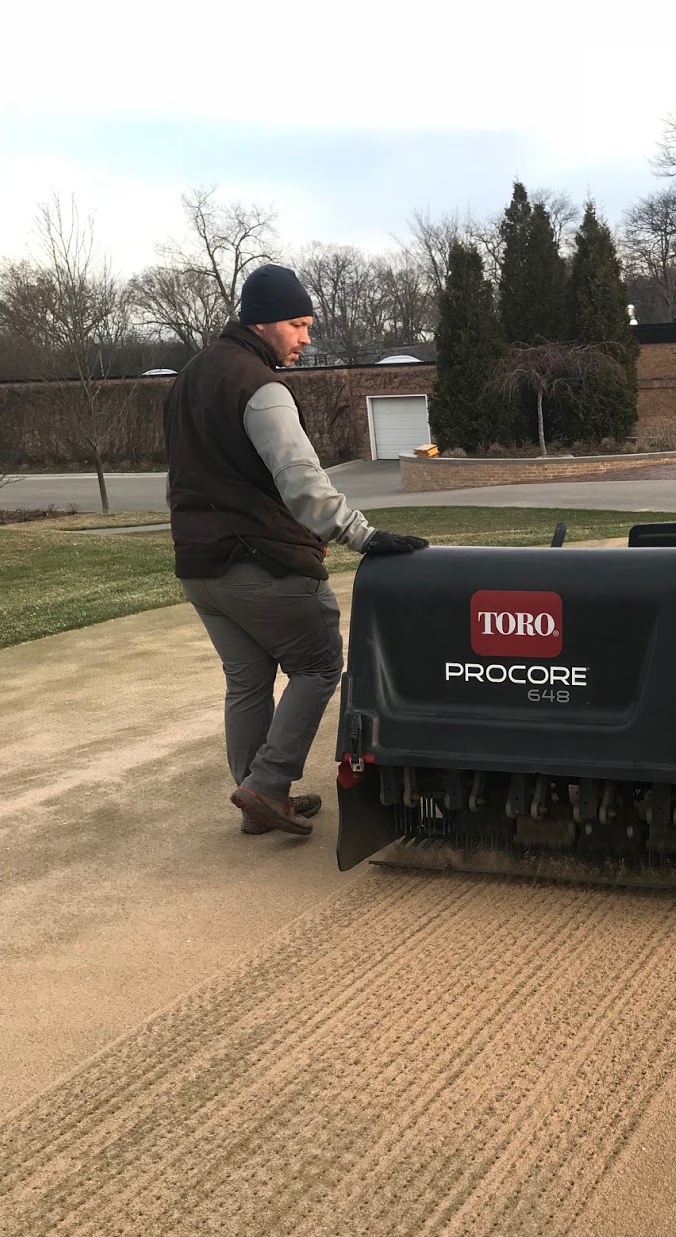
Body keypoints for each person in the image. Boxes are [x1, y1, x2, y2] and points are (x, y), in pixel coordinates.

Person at [164, 263, 427, 839]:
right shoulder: (260, 387)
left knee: (248, 681)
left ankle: (257, 794)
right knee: (318, 664)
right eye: (298, 324)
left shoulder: (189, 376)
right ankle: (268, 782)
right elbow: (300, 477)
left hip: (199, 569)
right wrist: (360, 535)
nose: (306, 338)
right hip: (256, 561)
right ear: (262, 323)